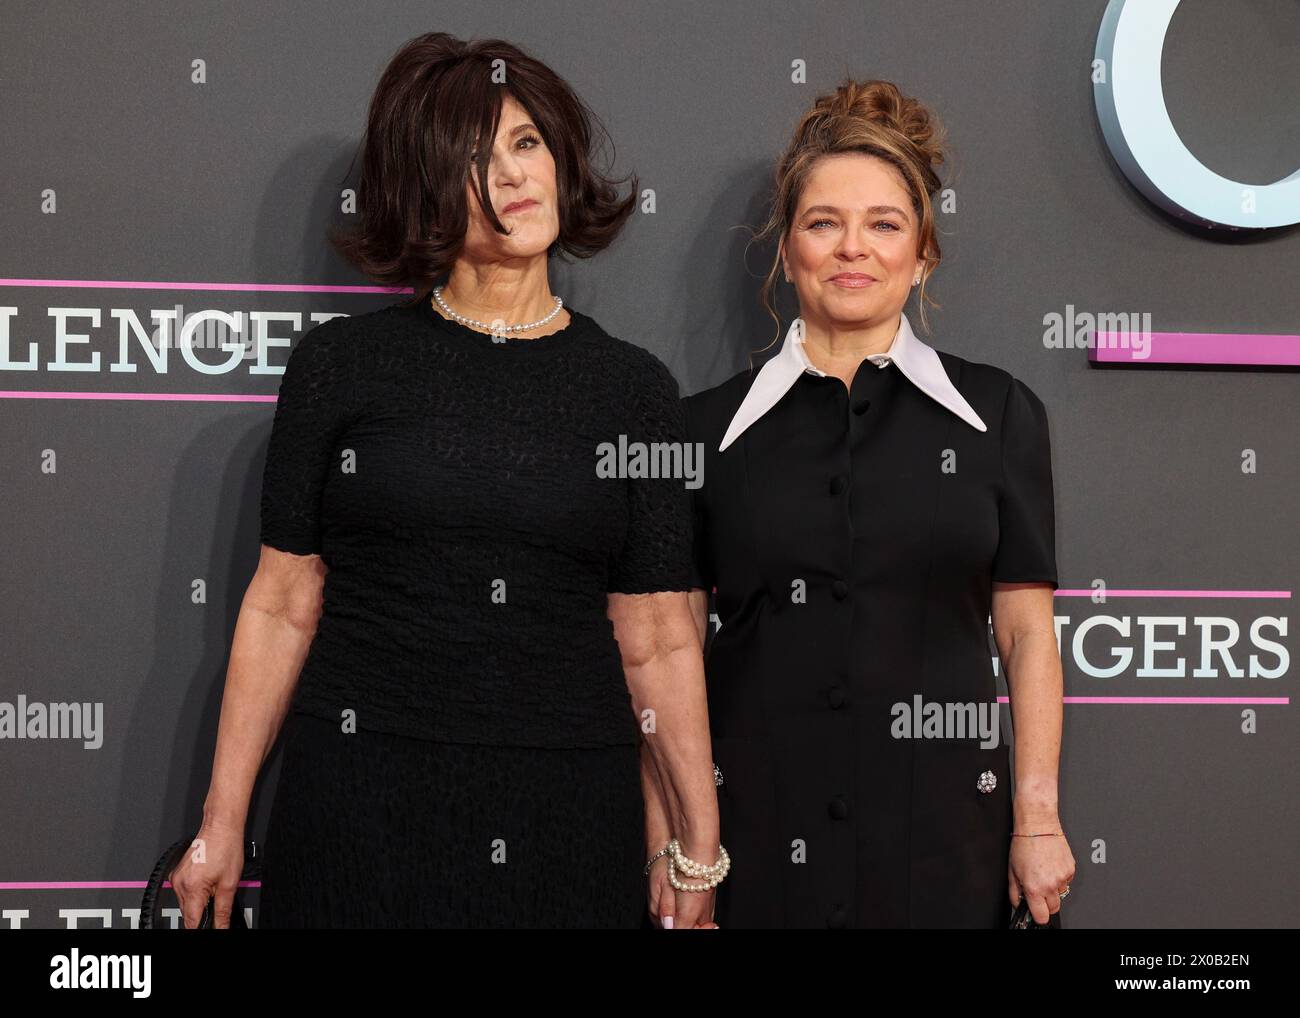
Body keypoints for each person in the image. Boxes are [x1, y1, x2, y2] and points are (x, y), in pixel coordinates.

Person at [169, 32, 721, 929]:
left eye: (525, 142)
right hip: (359, 800)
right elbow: (282, 602)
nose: (511, 175)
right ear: (422, 192)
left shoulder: (634, 391)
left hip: (566, 811)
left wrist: (697, 841)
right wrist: (221, 823)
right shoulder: (338, 368)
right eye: (473, 157)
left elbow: (657, 635)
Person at [676, 79, 1076, 928]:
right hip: (757, 847)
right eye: (824, 223)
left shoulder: (1000, 414)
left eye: (884, 225)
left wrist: (1036, 820)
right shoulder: (704, 431)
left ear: (923, 252)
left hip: (944, 849)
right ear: (788, 250)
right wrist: (685, 847)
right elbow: (666, 658)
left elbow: (1028, 636)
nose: (852, 248)